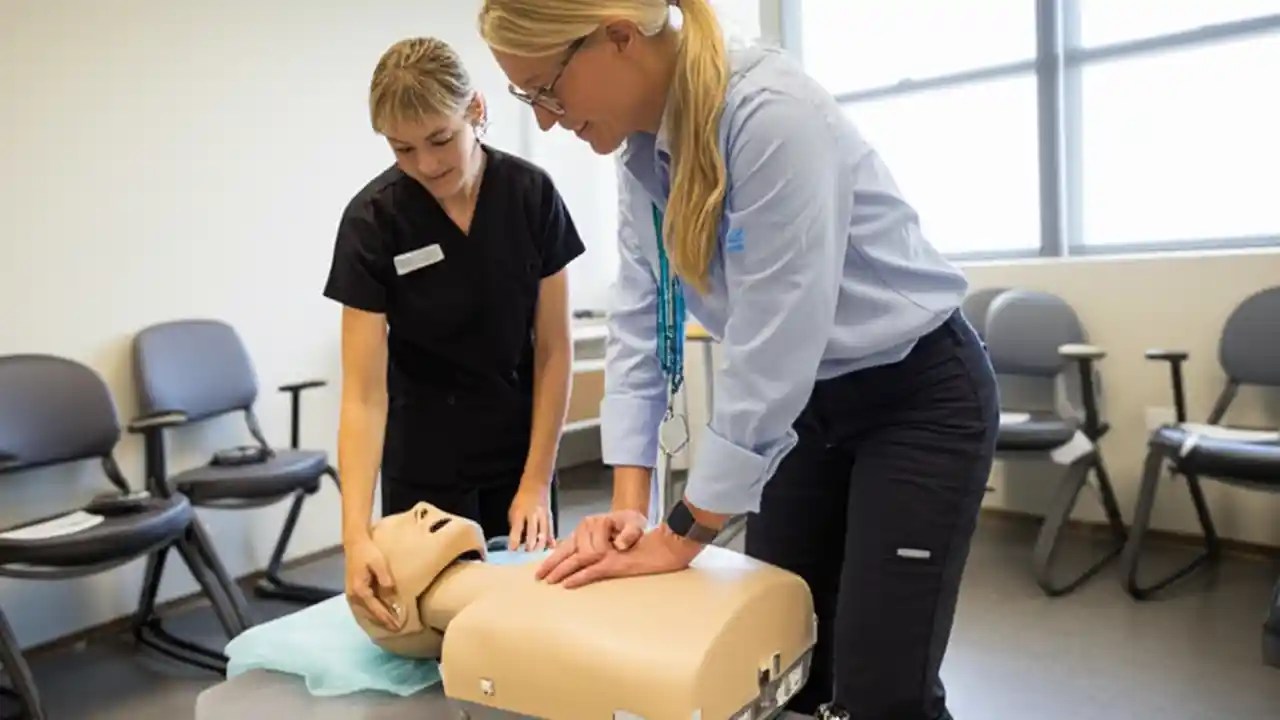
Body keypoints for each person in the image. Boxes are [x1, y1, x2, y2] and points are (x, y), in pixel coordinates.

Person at [478, 2, 1000, 720]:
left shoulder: (772, 117)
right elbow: (638, 321)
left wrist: (680, 535)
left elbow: (772, 351)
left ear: (619, 39)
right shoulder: (639, 151)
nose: (544, 119)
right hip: (806, 412)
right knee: (782, 653)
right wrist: (628, 514)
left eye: (545, 90)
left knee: (883, 690)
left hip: (914, 397)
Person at [324, 37, 585, 630]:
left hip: (520, 451)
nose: (427, 164)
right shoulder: (373, 222)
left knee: (533, 626)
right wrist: (355, 536)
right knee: (436, 635)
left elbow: (553, 351)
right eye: (403, 149)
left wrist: (536, 482)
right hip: (424, 469)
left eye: (440, 139)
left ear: (476, 110)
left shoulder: (530, 195)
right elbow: (363, 396)